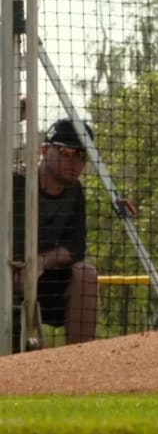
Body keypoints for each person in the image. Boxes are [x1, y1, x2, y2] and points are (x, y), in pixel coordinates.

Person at [9, 118, 99, 346]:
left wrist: (40, 262)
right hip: (7, 274)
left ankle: (81, 361)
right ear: (45, 150)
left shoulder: (75, 192)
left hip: (44, 279)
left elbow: (76, 247)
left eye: (81, 155)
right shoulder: (14, 182)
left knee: (86, 274)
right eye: (66, 152)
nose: (74, 161)